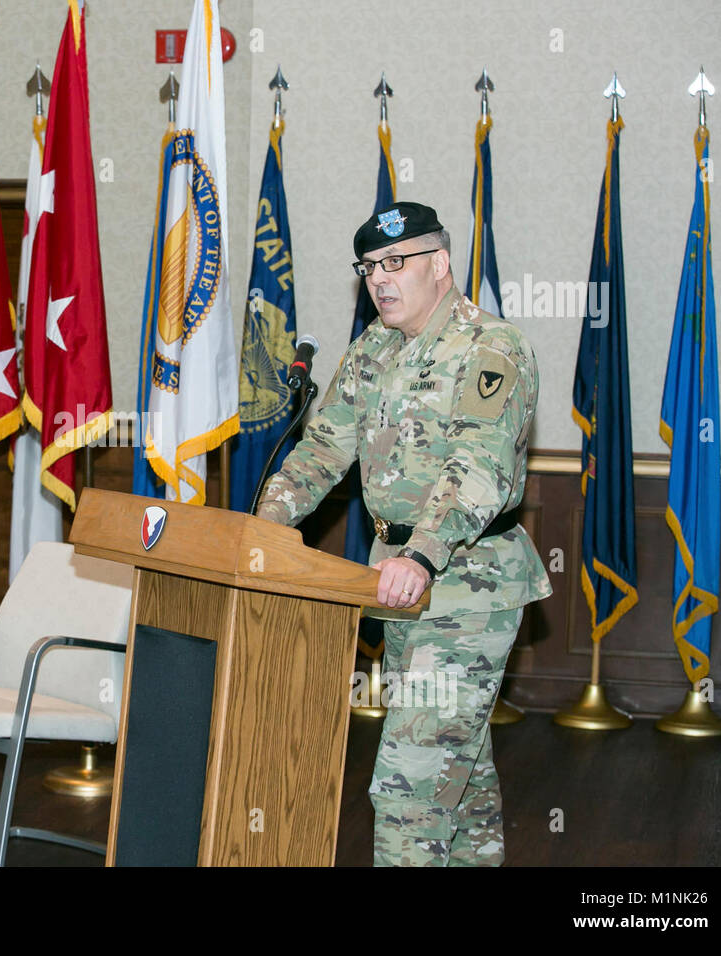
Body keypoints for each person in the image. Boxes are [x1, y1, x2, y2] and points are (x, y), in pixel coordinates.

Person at [255, 202, 552, 866]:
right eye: (369, 268)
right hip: (393, 582)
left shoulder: (490, 347)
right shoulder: (373, 350)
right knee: (459, 777)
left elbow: (478, 464)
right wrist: (258, 527)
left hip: (466, 587)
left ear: (439, 265)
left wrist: (422, 550)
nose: (380, 281)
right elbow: (322, 454)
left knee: (407, 788)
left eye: (396, 263)